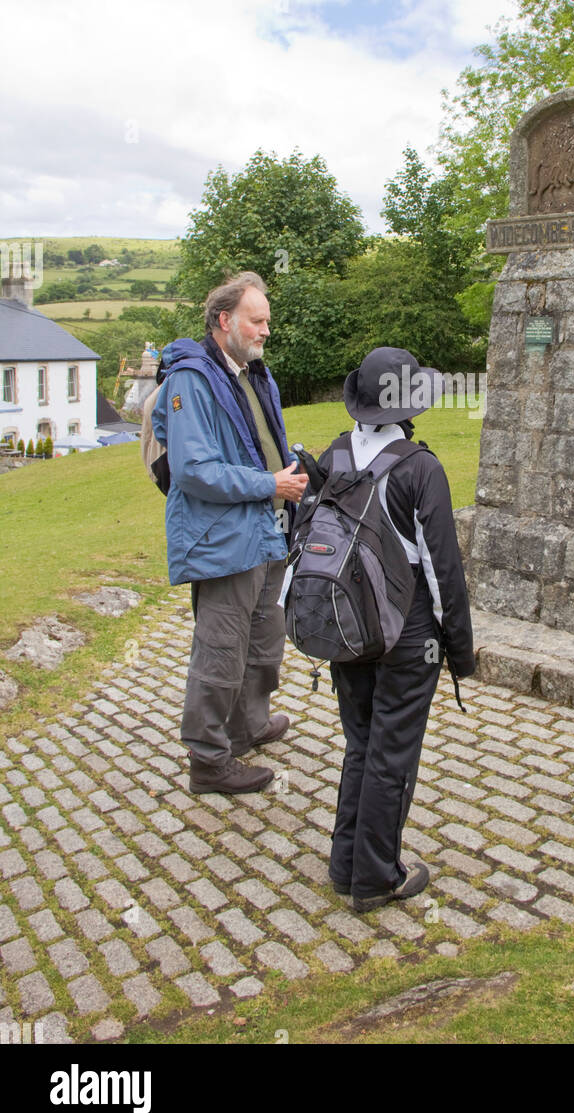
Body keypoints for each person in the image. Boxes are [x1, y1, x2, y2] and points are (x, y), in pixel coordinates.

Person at [317, 346, 475, 913]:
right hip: (406, 633)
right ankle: (376, 878)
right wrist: (460, 649)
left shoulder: (333, 456)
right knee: (393, 754)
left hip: (346, 623)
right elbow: (442, 569)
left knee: (361, 744)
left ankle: (345, 864)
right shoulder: (419, 467)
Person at [152, 272, 308, 794]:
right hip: (221, 535)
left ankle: (249, 725)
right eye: (257, 320)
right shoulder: (190, 381)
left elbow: (260, 444)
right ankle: (209, 760)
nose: (266, 330)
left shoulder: (253, 374)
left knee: (263, 639)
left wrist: (291, 471)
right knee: (220, 648)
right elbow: (195, 468)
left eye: (267, 320)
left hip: (266, 526)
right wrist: (271, 483)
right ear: (225, 321)